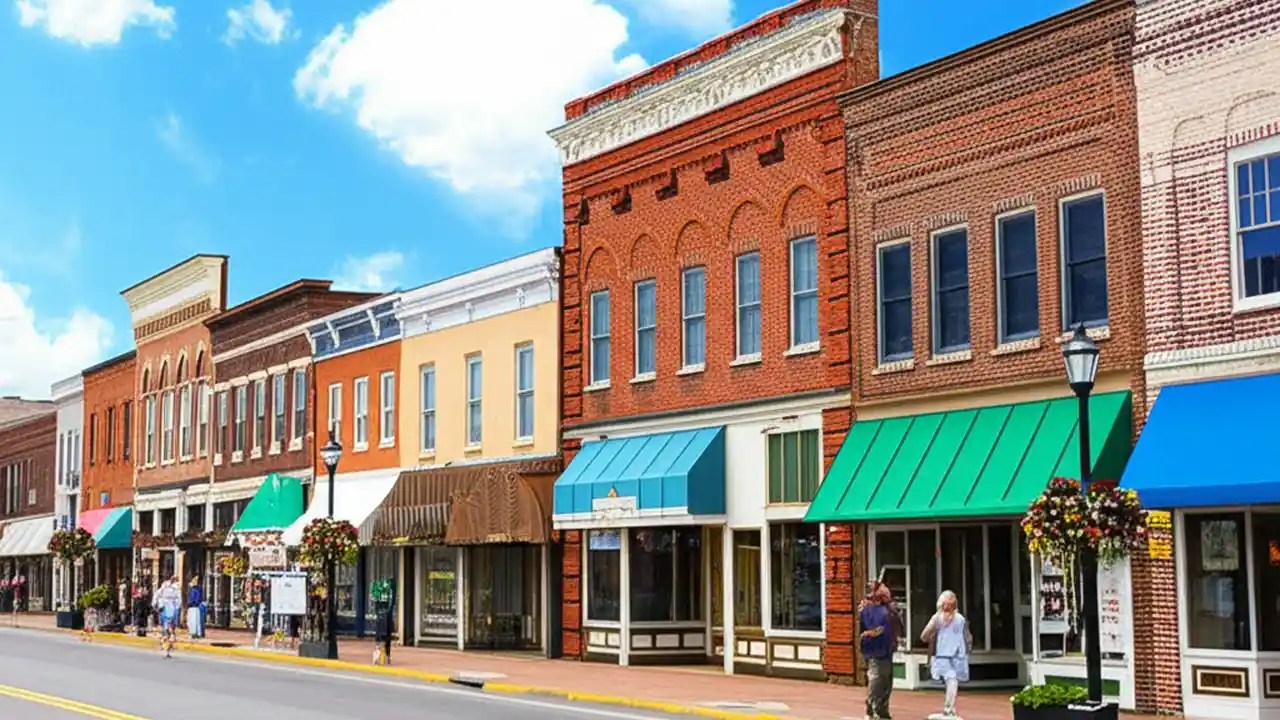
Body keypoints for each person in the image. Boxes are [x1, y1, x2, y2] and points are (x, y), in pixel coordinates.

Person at [922, 590, 973, 719]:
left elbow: (924, 635)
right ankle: (949, 708)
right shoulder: (960, 619)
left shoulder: (937, 618)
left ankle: (948, 708)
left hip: (944, 654)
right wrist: (968, 648)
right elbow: (967, 637)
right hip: (957, 654)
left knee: (951, 681)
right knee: (952, 681)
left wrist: (932, 638)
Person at [859, 581, 897, 720]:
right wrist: (872, 633)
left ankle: (882, 710)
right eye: (883, 588)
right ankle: (872, 708)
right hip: (875, 648)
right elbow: (871, 628)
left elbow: (897, 624)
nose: (886, 590)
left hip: (886, 648)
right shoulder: (868, 610)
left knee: (887, 681)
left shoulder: (888, 608)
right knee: (877, 679)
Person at [155, 575, 182, 658]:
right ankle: (165, 647)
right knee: (167, 630)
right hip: (166, 610)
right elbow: (157, 595)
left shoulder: (174, 588)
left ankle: (166, 647)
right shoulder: (167, 587)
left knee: (169, 630)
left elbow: (179, 600)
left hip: (169, 610)